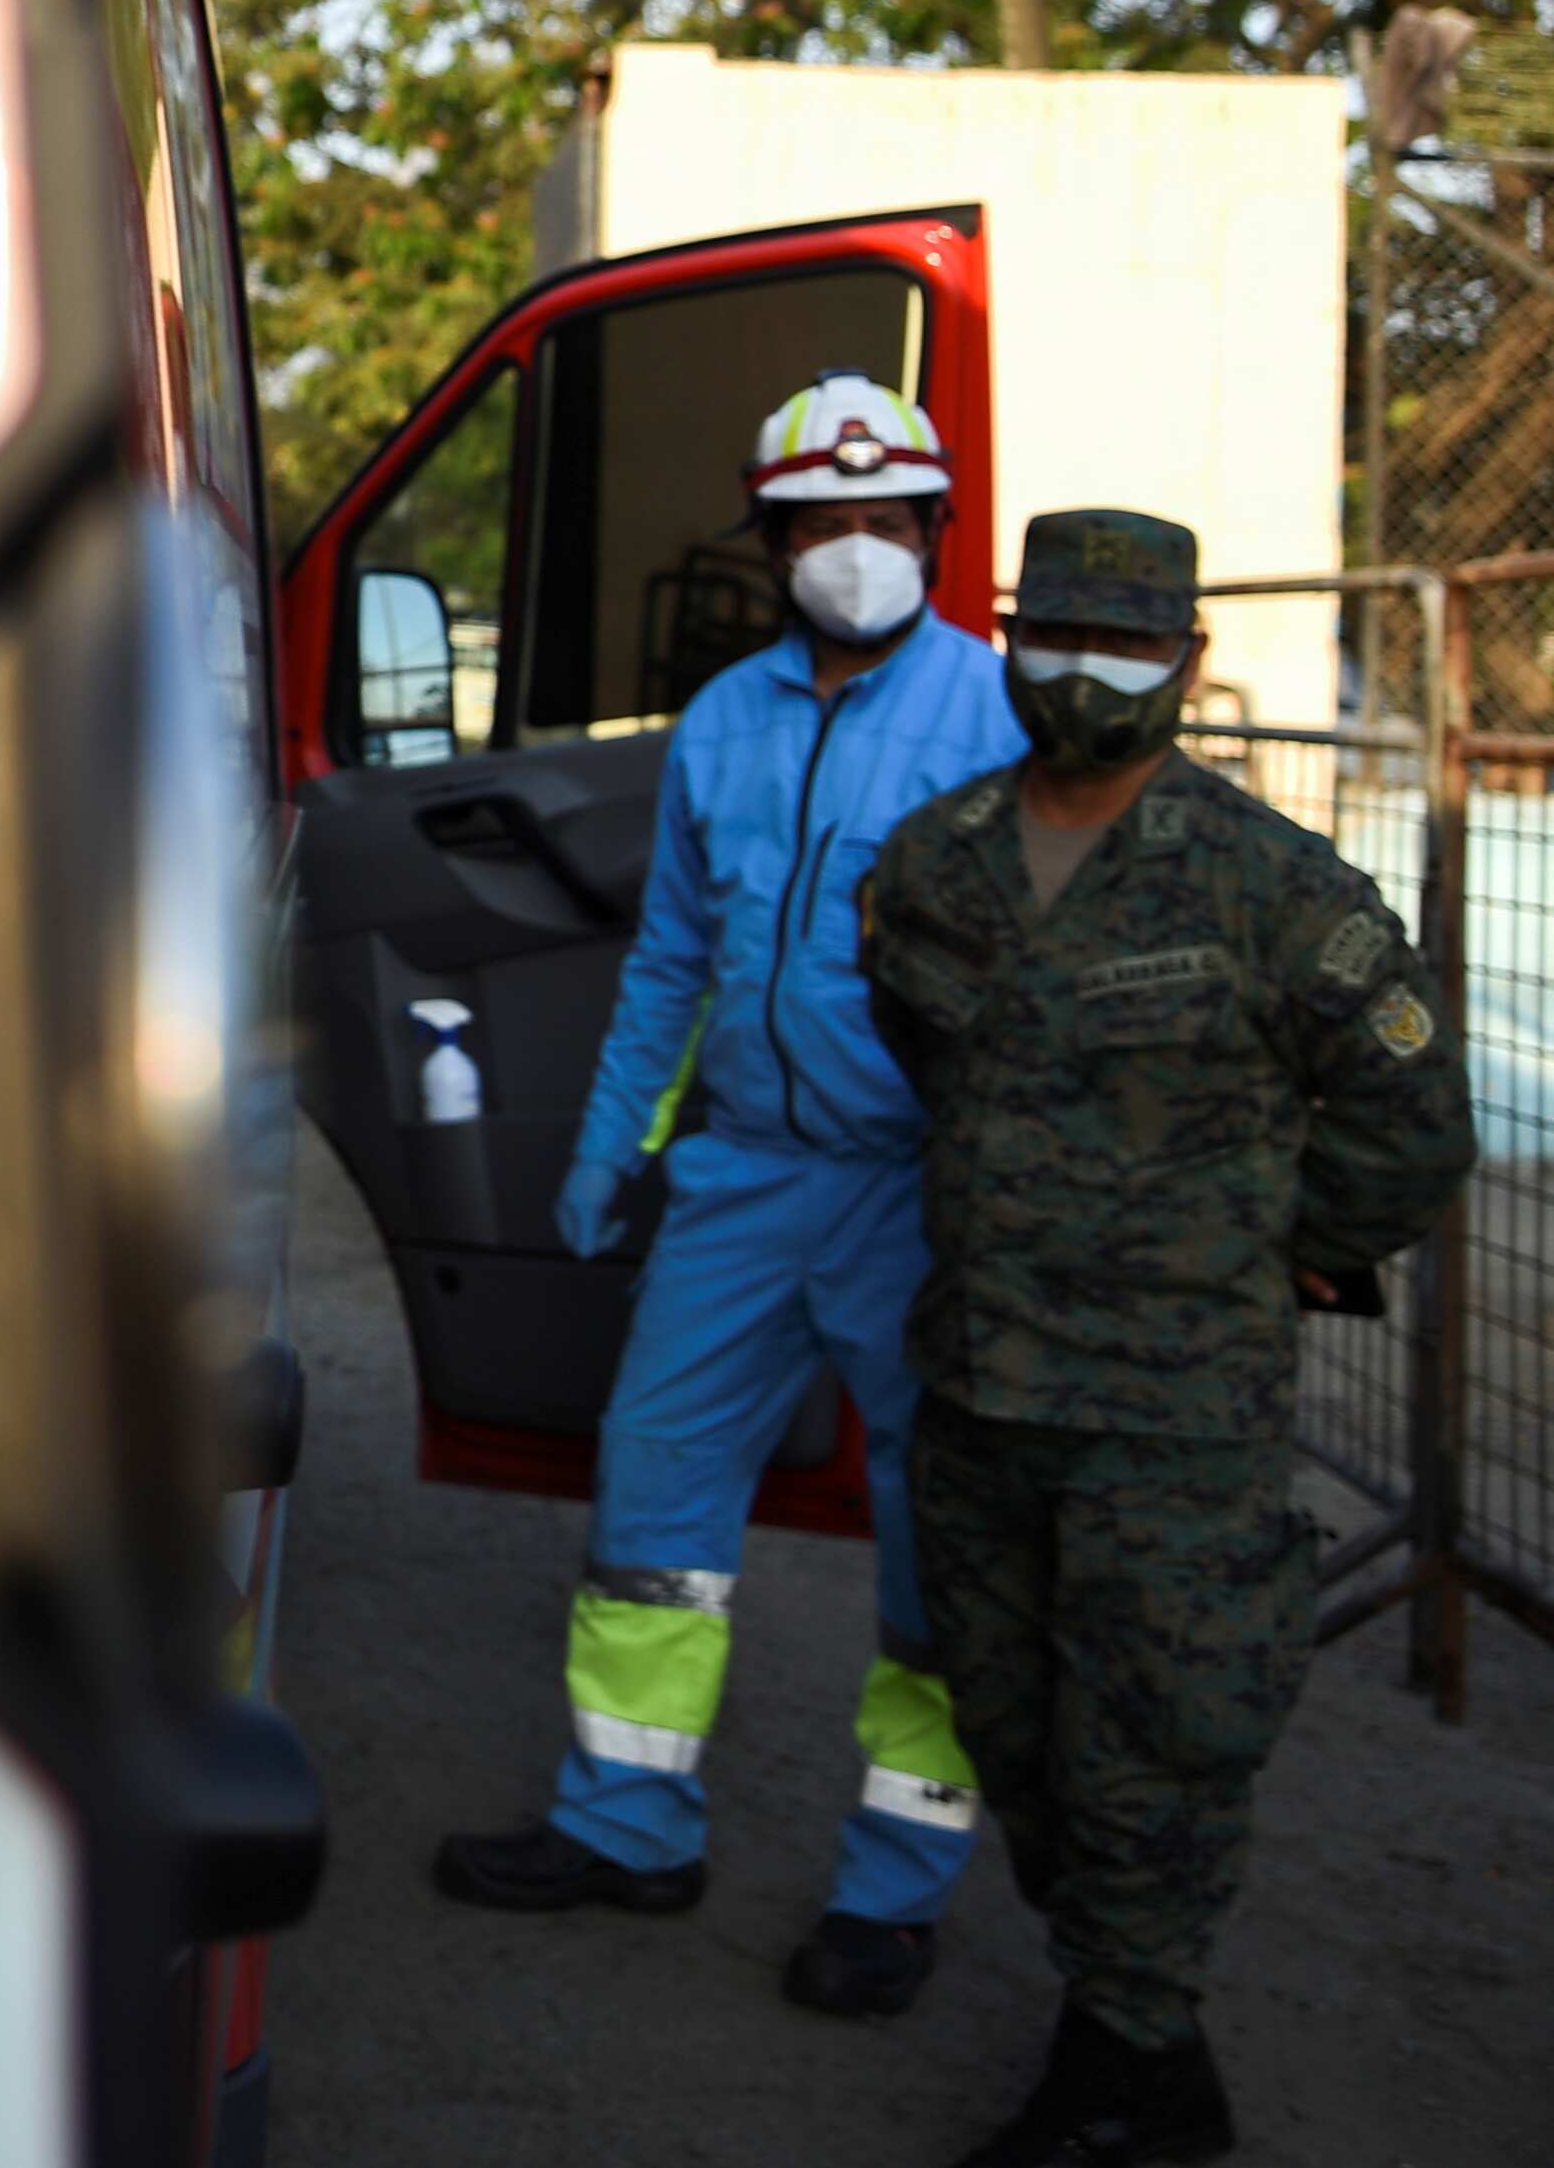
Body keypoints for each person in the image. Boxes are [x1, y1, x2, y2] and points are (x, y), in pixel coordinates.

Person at [867, 511, 1474, 2168]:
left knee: (1158, 1738)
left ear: (1189, 666)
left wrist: (1281, 1249)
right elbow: (927, 1046)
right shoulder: (934, 860)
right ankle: (1143, 2032)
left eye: (1128, 644)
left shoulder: (1273, 886)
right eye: (1057, 636)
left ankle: (1123, 2064)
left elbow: (1413, 1121)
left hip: (1173, 1410)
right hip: (983, 1382)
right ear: (1007, 641)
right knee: (1012, 1722)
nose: (1088, 671)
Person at [434, 371, 1026, 2017]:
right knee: (652, 1504)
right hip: (743, 1180)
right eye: (822, 523)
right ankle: (628, 1822)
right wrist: (608, 1143)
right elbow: (676, 959)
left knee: (940, 1550)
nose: (855, 546)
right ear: (773, 544)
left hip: (920, 1190)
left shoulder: (995, 717)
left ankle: (895, 1890)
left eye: (885, 520)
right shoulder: (726, 720)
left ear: (931, 535)